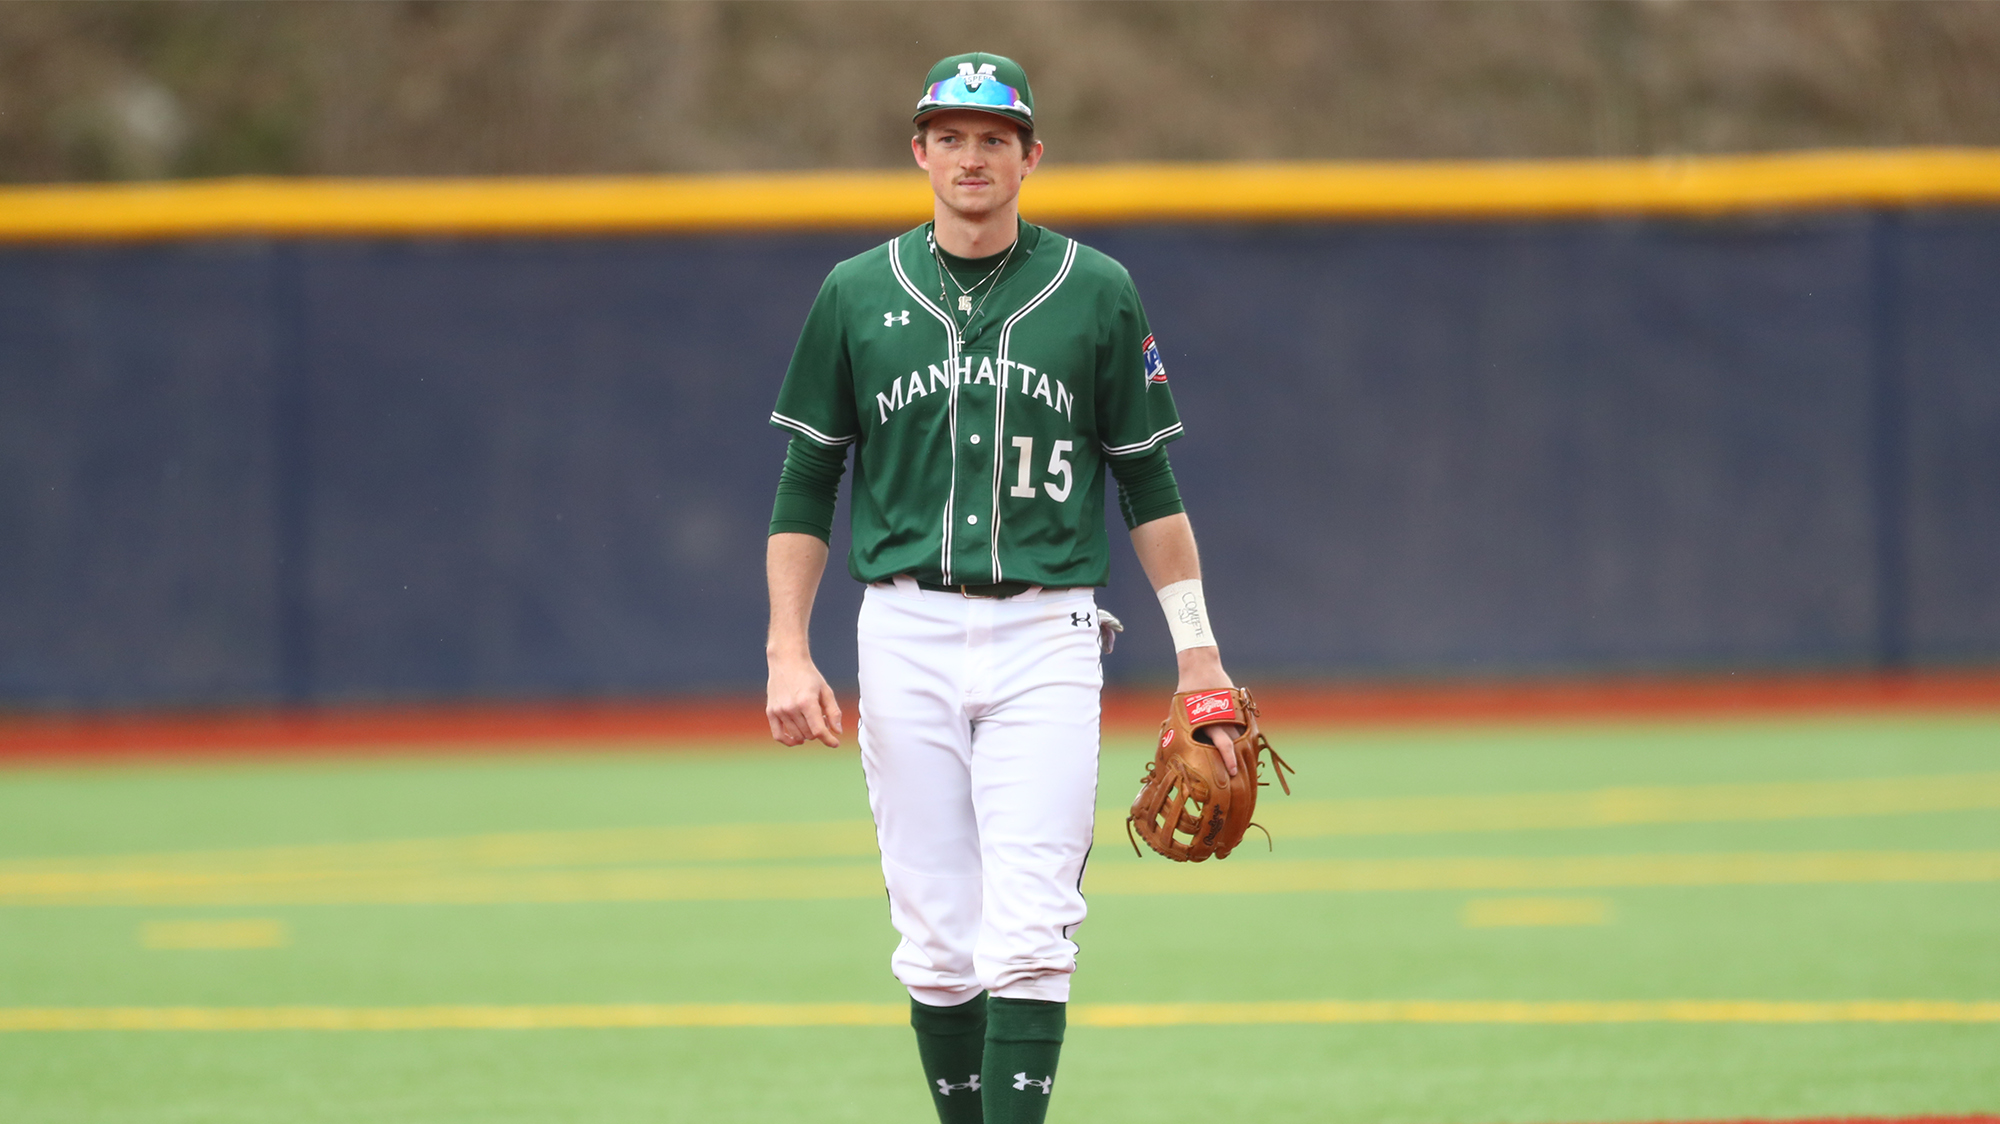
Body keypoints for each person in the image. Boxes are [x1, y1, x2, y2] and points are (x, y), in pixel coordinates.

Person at [763, 51, 1240, 1124]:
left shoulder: (1096, 292)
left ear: (1030, 156)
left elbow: (1147, 480)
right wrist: (786, 646)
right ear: (918, 152)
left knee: (1029, 926)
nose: (970, 156)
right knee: (935, 937)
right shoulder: (854, 293)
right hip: (904, 629)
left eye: (993, 138)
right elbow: (807, 477)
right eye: (950, 135)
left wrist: (1198, 651)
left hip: (1046, 633)